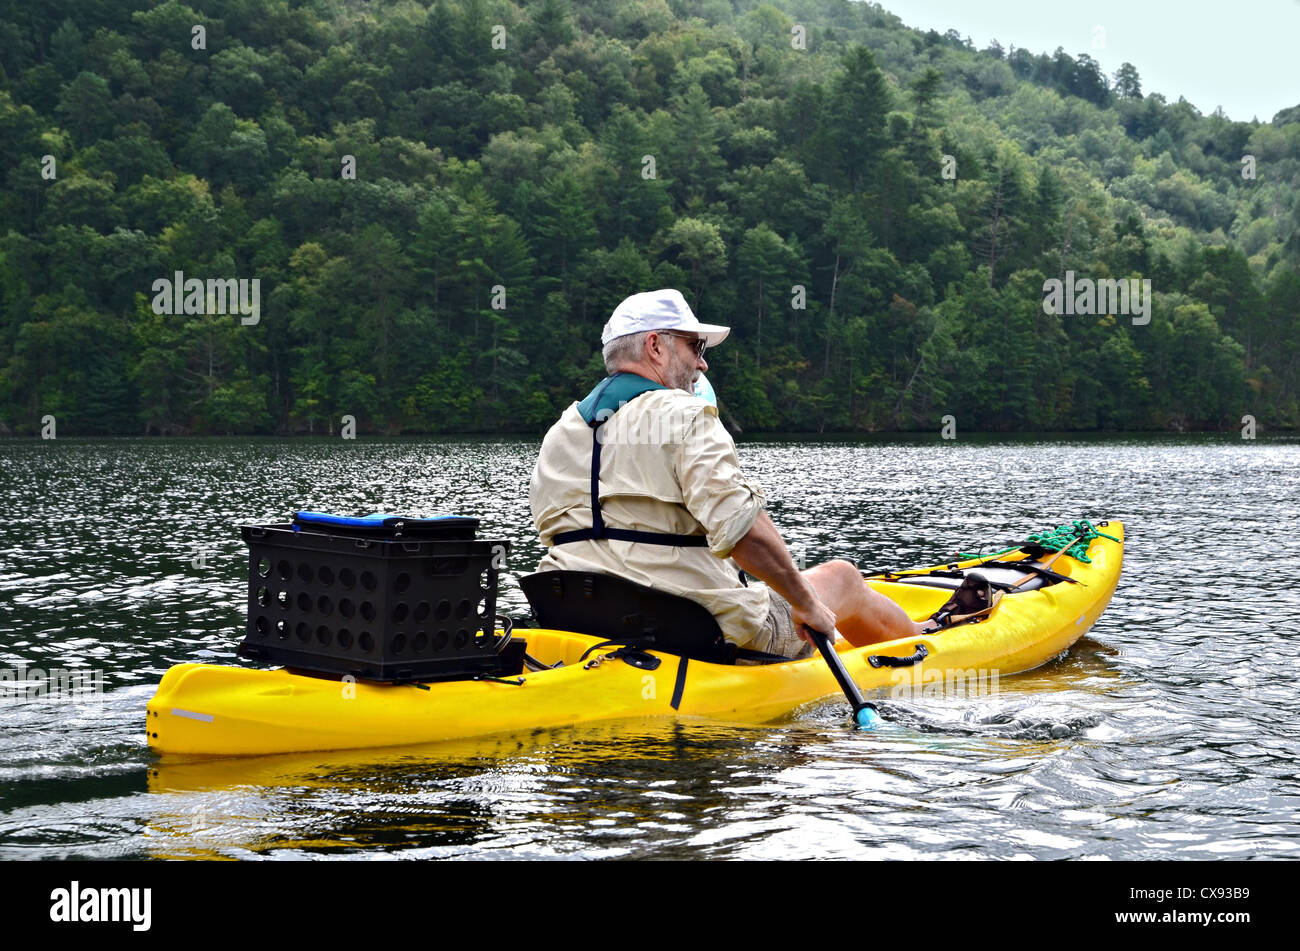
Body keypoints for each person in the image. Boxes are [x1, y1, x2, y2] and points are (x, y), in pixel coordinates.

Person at [528, 289, 930, 661]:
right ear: (655, 346)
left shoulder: (560, 433)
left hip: (583, 619)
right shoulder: (684, 414)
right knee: (841, 578)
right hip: (694, 629)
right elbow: (745, 534)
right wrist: (806, 605)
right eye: (694, 346)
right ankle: (924, 641)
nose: (702, 363)